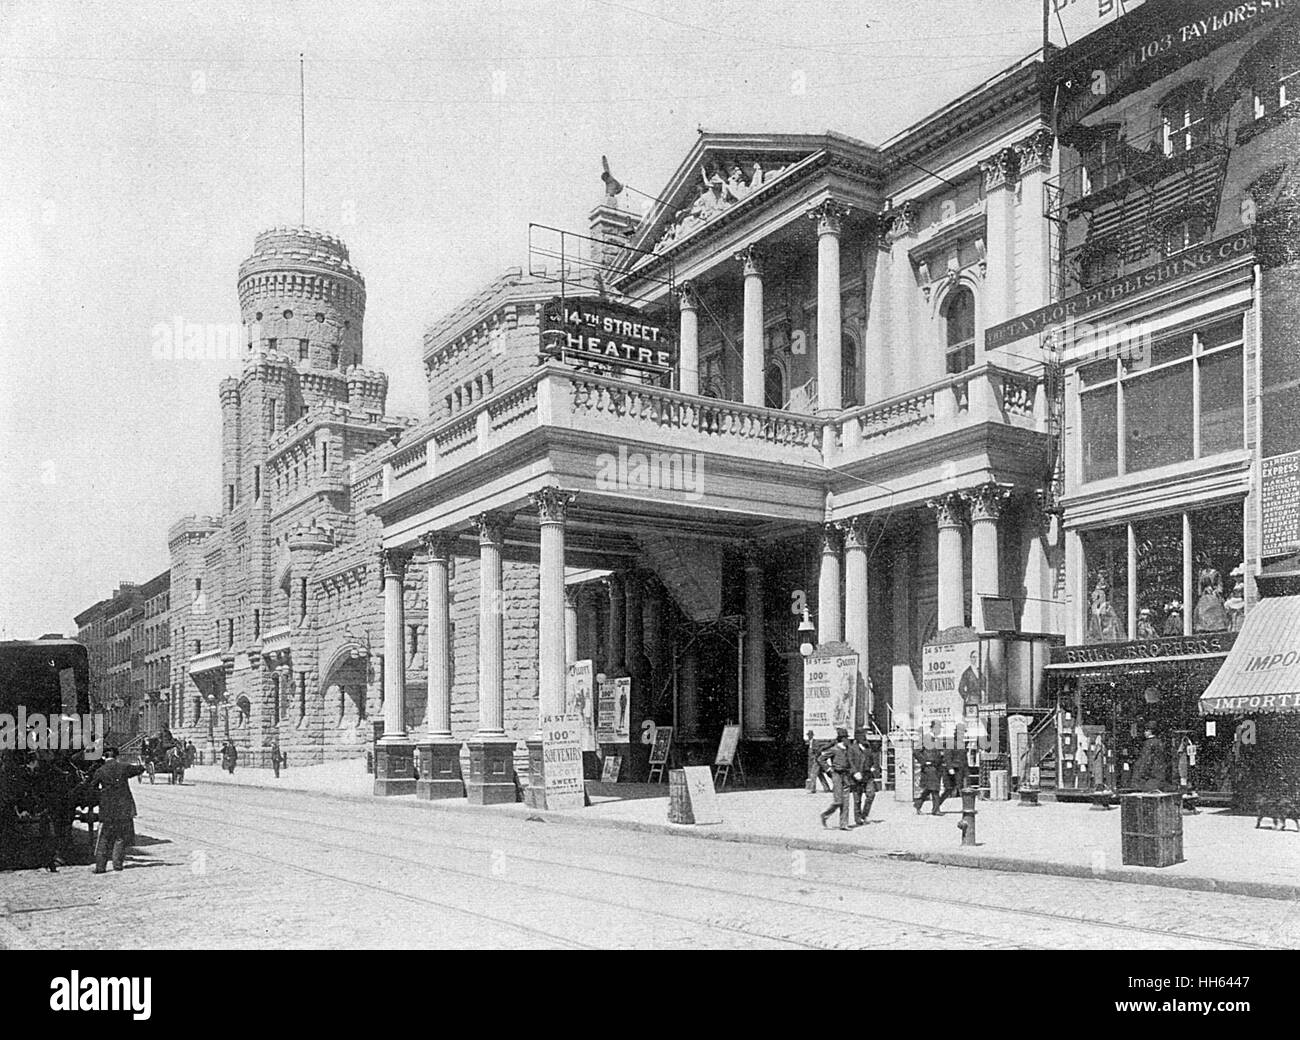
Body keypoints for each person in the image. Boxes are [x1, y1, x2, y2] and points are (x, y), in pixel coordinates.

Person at [90, 746, 145, 873]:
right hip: (123, 808)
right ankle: (117, 865)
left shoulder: (100, 770)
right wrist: (142, 765)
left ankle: (100, 867)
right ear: (116, 756)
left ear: (104, 757)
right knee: (120, 837)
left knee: (104, 838)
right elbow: (139, 769)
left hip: (107, 809)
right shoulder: (124, 767)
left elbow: (92, 787)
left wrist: (102, 795)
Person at [817, 728, 854, 830]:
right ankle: (825, 815)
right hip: (836, 775)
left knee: (846, 801)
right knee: (838, 801)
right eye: (846, 738)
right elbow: (821, 759)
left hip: (846, 775)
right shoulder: (834, 749)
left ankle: (843, 824)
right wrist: (828, 769)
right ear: (842, 739)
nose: (848, 740)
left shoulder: (847, 749)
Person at [849, 732, 879, 825]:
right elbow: (850, 762)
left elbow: (873, 760)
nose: (864, 740)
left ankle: (864, 815)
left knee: (871, 795)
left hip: (867, 775)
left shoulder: (868, 748)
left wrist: (873, 767)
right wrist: (855, 772)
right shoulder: (852, 749)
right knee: (857, 799)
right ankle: (858, 818)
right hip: (857, 776)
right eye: (862, 738)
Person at [913, 729, 945, 815]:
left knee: (929, 788)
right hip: (929, 767)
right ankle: (936, 810)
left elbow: (940, 752)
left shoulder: (937, 739)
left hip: (937, 767)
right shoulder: (925, 738)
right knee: (935, 789)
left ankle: (918, 804)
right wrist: (924, 761)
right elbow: (916, 751)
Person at [1132, 725, 1172, 792]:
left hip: (1152, 773)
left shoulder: (1148, 743)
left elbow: (1146, 759)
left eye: (1146, 731)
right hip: (1159, 771)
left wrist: (1142, 771)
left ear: (1151, 731)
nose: (1144, 732)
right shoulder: (1160, 742)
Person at [805, 729, 831, 794]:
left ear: (812, 735)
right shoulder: (810, 742)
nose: (808, 736)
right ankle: (826, 788)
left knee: (813, 775)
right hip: (814, 761)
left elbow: (817, 751)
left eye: (809, 735)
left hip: (816, 761)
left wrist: (815, 758)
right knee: (820, 775)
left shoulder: (814, 742)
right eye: (808, 735)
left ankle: (812, 789)